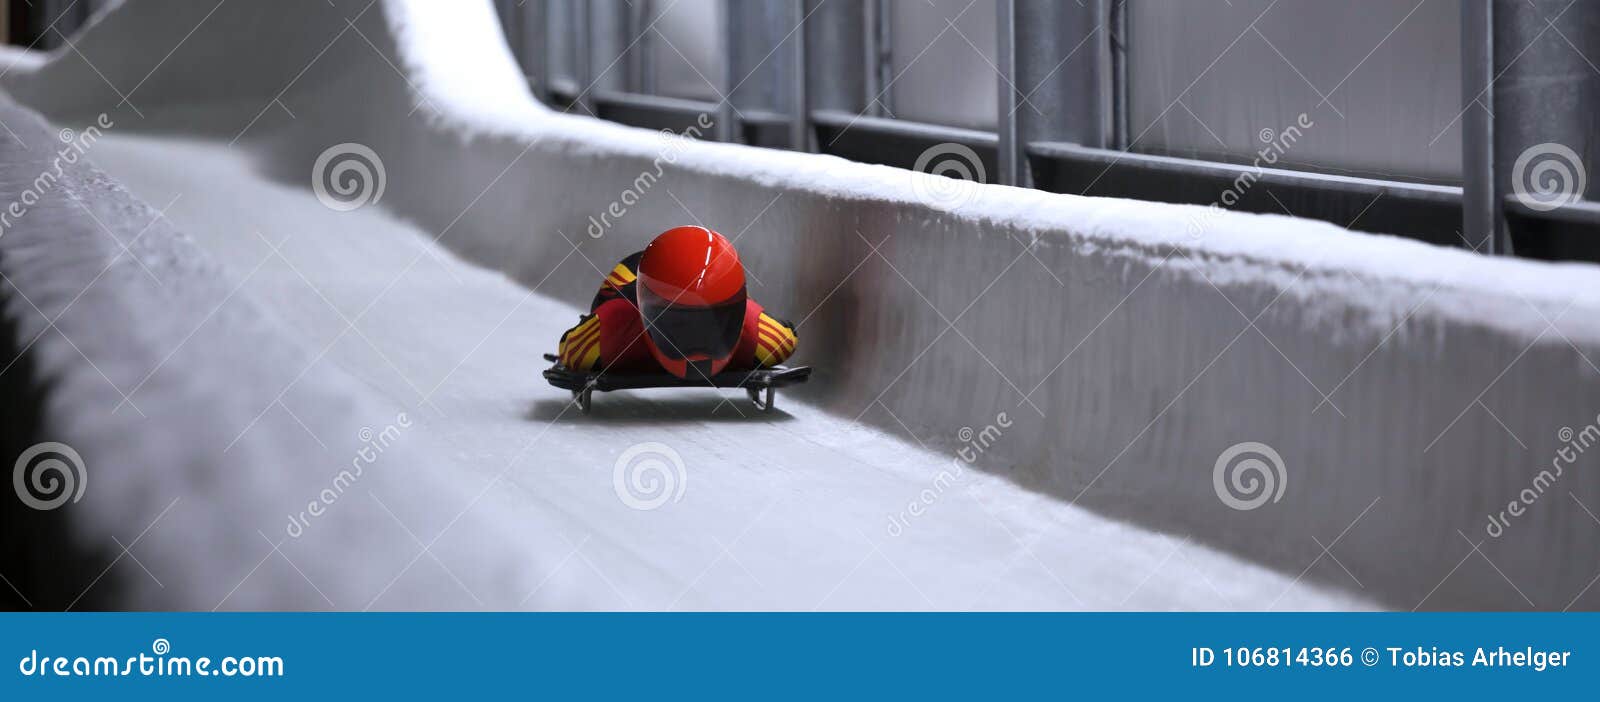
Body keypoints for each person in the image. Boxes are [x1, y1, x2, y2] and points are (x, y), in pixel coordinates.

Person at [556, 225, 798, 379]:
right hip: (628, 279)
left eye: (708, 323)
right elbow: (570, 349)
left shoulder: (758, 333)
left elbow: (569, 350)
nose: (695, 337)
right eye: (680, 322)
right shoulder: (614, 327)